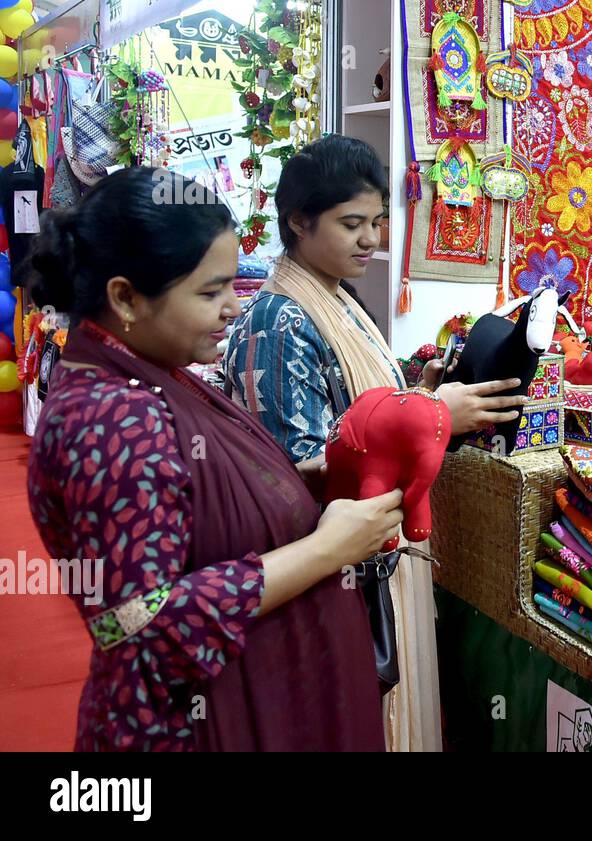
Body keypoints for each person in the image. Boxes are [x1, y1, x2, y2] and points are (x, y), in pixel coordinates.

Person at [24, 167, 399, 750]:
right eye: (210, 292)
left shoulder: (147, 379)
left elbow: (191, 496)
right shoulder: (109, 419)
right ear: (125, 296)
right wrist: (327, 550)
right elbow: (138, 624)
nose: (232, 307)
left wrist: (295, 484)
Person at [224, 134, 529, 751]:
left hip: (374, 560)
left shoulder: (339, 298)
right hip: (334, 579)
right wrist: (428, 414)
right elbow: (297, 478)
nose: (371, 239)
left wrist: (423, 392)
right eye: (352, 223)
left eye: (379, 222)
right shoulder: (278, 322)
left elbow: (360, 413)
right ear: (298, 222)